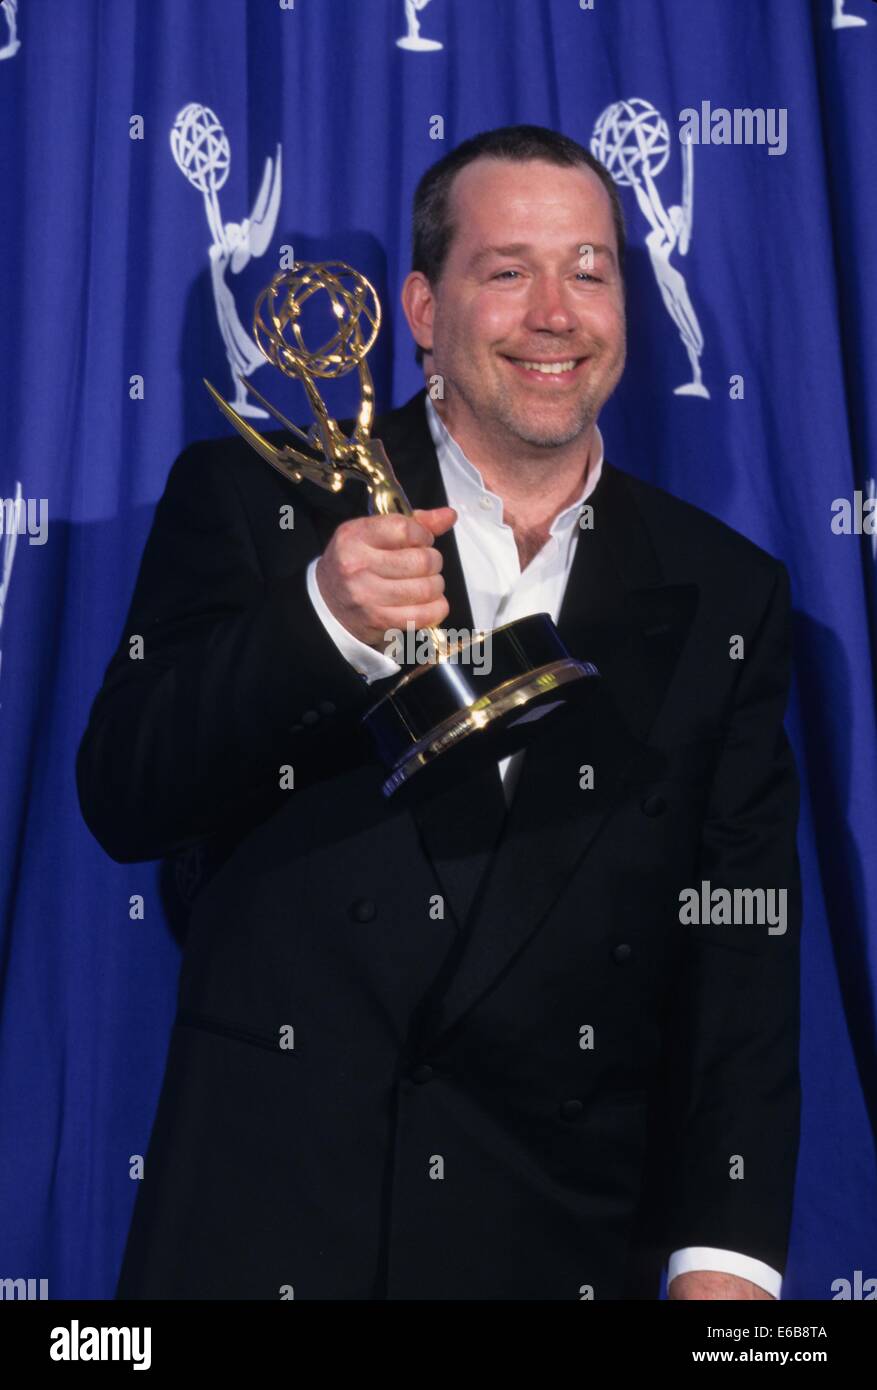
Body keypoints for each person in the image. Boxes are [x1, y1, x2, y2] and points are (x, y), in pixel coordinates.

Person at [76, 124, 801, 1301]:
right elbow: (121, 794)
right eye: (507, 270)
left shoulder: (724, 589)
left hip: (556, 1243)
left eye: (591, 269)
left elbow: (740, 943)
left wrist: (726, 1264)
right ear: (421, 309)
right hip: (261, 1231)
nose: (556, 313)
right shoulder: (254, 505)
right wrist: (317, 624)